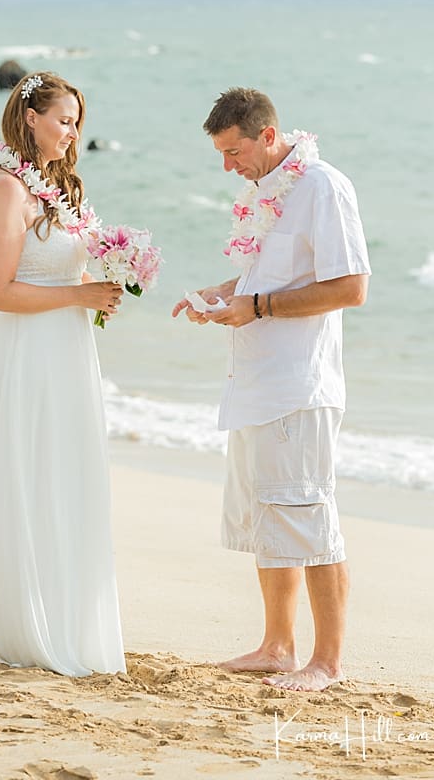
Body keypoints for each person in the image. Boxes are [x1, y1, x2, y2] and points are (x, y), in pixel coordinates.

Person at [172, 87, 370, 692]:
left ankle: (327, 662)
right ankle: (277, 646)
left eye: (233, 152)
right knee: (269, 517)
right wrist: (222, 295)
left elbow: (350, 287)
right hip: (256, 383)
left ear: (266, 136)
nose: (228, 166)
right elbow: (268, 274)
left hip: (298, 386)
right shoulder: (264, 193)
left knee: (309, 515)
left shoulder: (323, 188)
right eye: (220, 155)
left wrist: (254, 305)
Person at [0, 72, 127, 676]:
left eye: (78, 122)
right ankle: (23, 626)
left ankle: (70, 620)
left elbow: (66, 274)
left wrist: (104, 285)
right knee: (29, 477)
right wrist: (76, 298)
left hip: (68, 353)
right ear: (31, 118)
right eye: (64, 119)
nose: (73, 131)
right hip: (23, 354)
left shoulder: (62, 191)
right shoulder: (5, 191)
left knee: (69, 476)